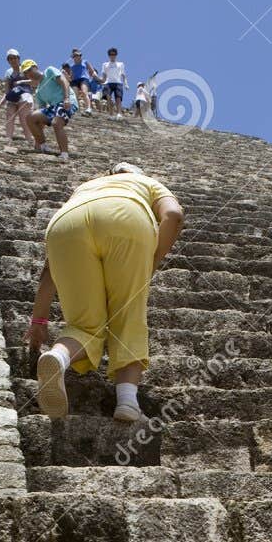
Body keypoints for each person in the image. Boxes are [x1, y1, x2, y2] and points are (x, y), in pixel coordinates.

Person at [24, 163, 184, 425]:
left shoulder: (86, 186)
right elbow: (174, 214)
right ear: (136, 174)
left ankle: (58, 357)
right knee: (128, 316)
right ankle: (128, 402)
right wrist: (154, 258)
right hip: (126, 219)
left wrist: (39, 321)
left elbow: (49, 267)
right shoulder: (146, 184)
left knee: (85, 325)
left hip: (65, 224)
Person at [21, 60, 75, 160]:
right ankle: (43, 146)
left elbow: (64, 81)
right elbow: (41, 114)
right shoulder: (38, 91)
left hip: (66, 100)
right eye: (25, 73)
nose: (28, 74)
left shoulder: (49, 71)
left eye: (29, 70)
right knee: (30, 117)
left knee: (56, 122)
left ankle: (64, 154)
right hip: (53, 107)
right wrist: (38, 137)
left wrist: (66, 98)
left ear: (35, 67)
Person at [0, 48, 34, 144]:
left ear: (18, 58)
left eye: (14, 58)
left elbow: (35, 81)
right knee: (9, 115)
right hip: (13, 97)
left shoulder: (25, 68)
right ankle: (8, 138)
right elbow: (7, 90)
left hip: (25, 95)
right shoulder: (8, 73)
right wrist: (1, 103)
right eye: (10, 58)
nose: (13, 60)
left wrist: (22, 81)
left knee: (23, 118)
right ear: (8, 61)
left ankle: (29, 139)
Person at [100, 48, 128, 115]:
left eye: (114, 54)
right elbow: (103, 75)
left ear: (116, 55)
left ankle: (119, 113)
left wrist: (126, 84)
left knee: (118, 98)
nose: (112, 56)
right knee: (108, 97)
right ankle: (110, 113)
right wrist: (101, 81)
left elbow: (123, 75)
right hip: (108, 82)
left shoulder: (121, 64)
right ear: (108, 55)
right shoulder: (105, 64)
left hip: (118, 82)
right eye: (111, 54)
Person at [68, 48, 93, 115]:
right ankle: (77, 109)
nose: (77, 57)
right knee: (74, 95)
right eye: (75, 55)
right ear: (73, 57)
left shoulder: (85, 62)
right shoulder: (71, 66)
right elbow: (71, 77)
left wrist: (92, 77)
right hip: (74, 81)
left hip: (83, 78)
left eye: (78, 55)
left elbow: (92, 70)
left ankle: (88, 108)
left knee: (84, 92)